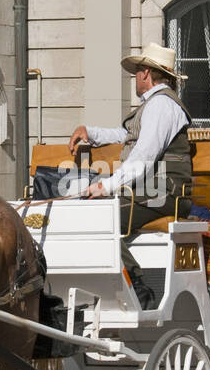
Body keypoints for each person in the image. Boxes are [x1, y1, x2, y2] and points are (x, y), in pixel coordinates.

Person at [67, 42, 193, 308]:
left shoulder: (161, 105)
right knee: (87, 214)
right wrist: (91, 132)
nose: (135, 77)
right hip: (152, 191)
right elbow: (129, 136)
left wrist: (107, 186)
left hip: (165, 193)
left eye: (137, 71)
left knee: (98, 217)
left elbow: (144, 157)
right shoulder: (155, 104)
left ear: (146, 73)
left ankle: (136, 286)